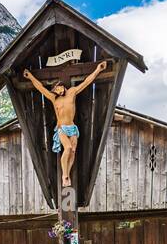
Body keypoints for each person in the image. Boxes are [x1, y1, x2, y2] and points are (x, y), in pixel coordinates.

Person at [22, 59, 108, 188]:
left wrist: (98, 69)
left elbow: (86, 82)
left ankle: (67, 174)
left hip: (72, 128)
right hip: (62, 128)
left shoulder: (72, 92)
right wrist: (30, 77)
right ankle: (64, 175)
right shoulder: (54, 98)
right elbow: (40, 87)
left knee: (72, 151)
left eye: (58, 88)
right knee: (67, 148)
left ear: (62, 85)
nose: (57, 91)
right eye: (55, 90)